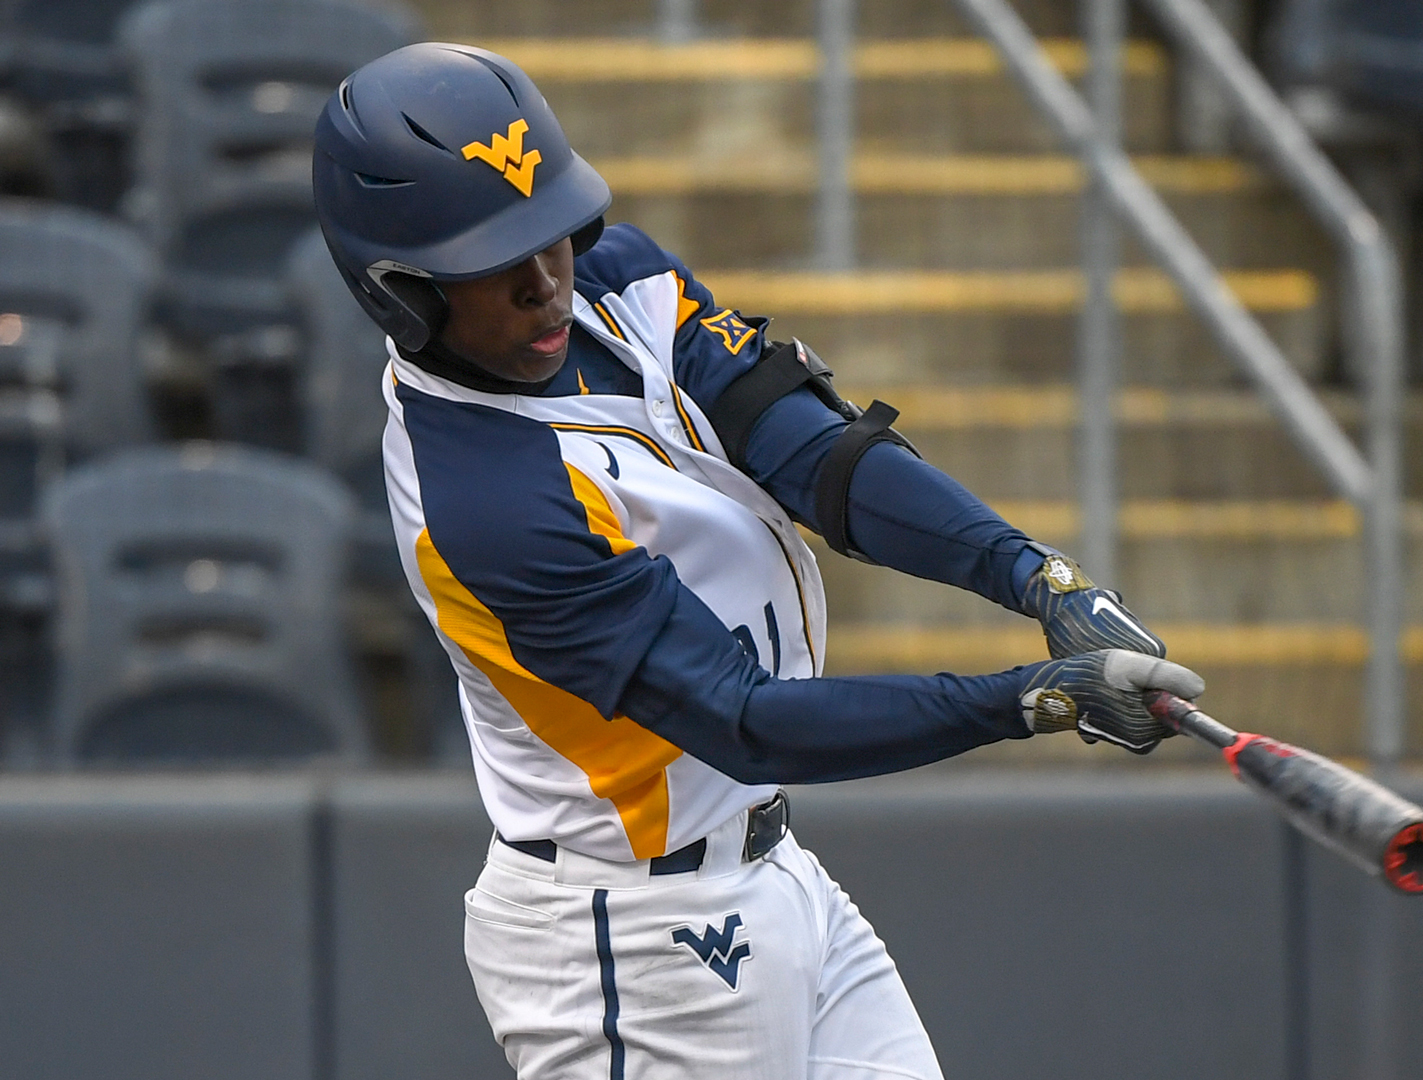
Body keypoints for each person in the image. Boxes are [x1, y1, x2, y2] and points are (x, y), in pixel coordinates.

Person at [312, 42, 1204, 1080]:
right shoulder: (482, 504)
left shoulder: (624, 281)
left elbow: (815, 459)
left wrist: (1042, 582)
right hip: (631, 945)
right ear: (402, 291)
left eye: (549, 232)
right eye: (494, 264)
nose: (545, 282)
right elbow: (747, 723)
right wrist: (1032, 700)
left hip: (773, 877)